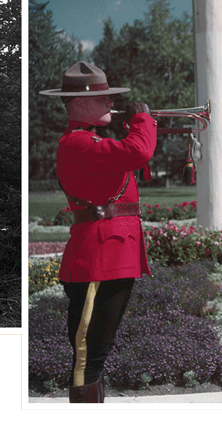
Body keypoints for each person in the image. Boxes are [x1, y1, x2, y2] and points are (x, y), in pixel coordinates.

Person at [39, 61, 156, 403]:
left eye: (109, 97)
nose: (110, 103)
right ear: (77, 103)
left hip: (115, 255)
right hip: (97, 259)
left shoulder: (93, 142)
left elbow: (135, 160)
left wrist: (140, 125)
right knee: (88, 358)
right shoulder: (77, 143)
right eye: (102, 98)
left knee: (97, 355)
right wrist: (142, 120)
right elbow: (139, 150)